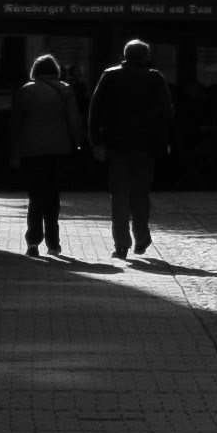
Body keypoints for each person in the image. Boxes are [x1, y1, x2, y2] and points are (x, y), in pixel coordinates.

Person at [89, 34, 170, 263]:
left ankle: (122, 243)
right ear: (146, 57)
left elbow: (95, 113)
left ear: (125, 56)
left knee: (120, 196)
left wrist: (96, 142)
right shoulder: (155, 78)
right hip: (145, 145)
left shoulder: (110, 76)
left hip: (116, 144)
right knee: (140, 193)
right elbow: (166, 112)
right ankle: (142, 236)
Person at [14, 46, 83, 264]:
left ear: (35, 70)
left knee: (35, 195)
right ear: (55, 70)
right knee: (53, 195)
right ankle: (53, 241)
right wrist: (78, 142)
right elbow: (73, 119)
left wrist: (14, 149)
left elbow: (16, 123)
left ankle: (33, 240)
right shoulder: (65, 90)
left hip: (31, 150)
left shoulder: (26, 90)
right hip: (58, 149)